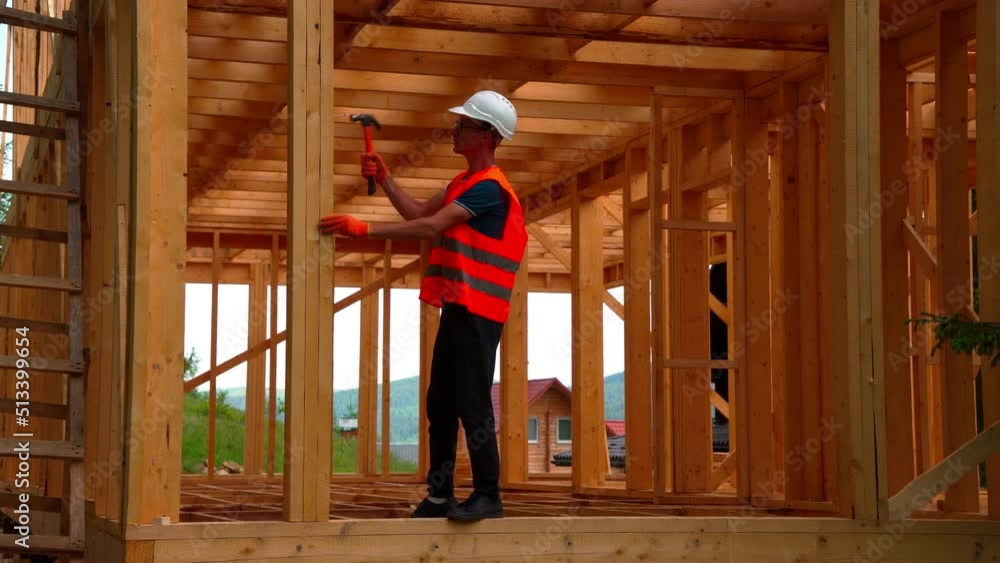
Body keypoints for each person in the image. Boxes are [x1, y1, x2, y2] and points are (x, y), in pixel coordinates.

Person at [319, 91, 527, 522]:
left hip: (480, 312)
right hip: (459, 308)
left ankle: (489, 495)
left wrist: (366, 229)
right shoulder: (462, 184)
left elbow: (430, 226)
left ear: (487, 136)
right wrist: (387, 177)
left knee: (472, 404)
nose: (455, 130)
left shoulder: (491, 189)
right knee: (440, 405)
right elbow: (417, 211)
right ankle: (439, 496)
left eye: (464, 125)